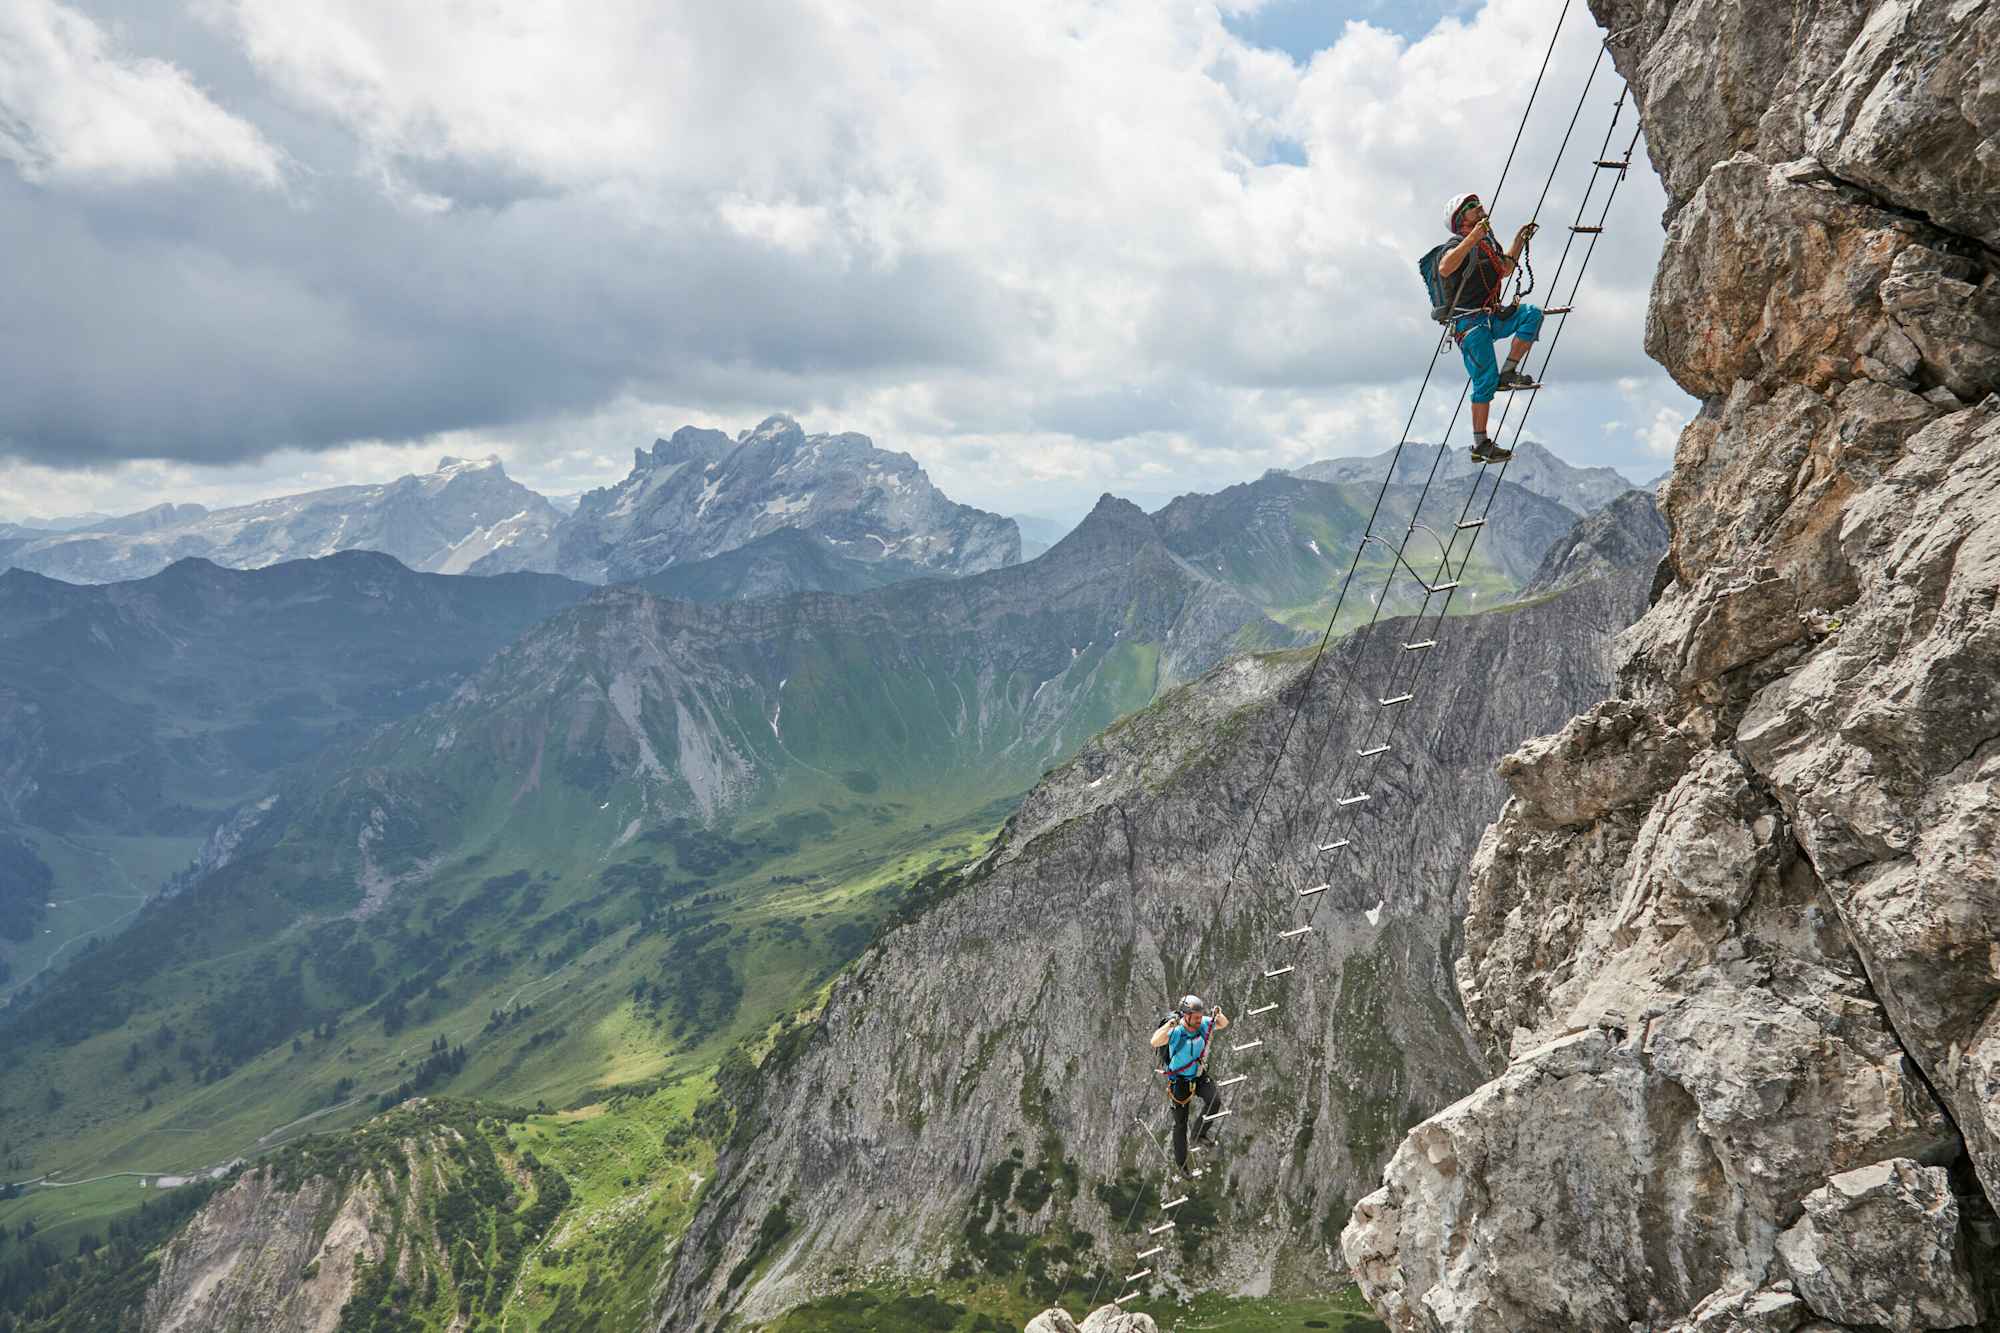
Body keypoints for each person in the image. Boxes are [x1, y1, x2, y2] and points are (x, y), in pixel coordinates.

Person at [1436, 192, 1542, 463]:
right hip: (1468, 323)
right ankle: (1480, 443)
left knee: (1531, 315)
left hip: (1489, 316)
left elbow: (1504, 268)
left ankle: (1508, 372)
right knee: (1484, 381)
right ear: (1461, 219)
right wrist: (1473, 238)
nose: (1480, 208)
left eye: (1478, 204)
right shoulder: (1457, 243)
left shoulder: (1486, 244)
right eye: (1472, 207)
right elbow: (1446, 267)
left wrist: (1519, 240)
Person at [1150, 995, 1230, 1177]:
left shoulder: (1202, 1024)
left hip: (1198, 1075)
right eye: (1195, 1017)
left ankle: (1198, 1134)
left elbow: (1223, 1023)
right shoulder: (1177, 1031)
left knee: (1214, 1100)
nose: (1199, 1019)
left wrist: (1218, 1014)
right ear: (1185, 1016)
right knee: (1180, 1124)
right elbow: (1155, 1041)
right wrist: (1170, 1024)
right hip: (1179, 1081)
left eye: (1200, 1016)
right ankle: (1182, 1164)